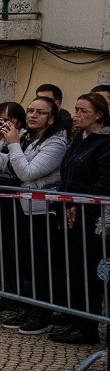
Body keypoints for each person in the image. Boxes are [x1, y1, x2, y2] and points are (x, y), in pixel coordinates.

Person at [0, 96, 65, 334]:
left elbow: (27, 173)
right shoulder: (27, 139)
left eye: (40, 112)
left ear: (51, 118)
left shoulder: (56, 144)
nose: (32, 115)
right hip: (22, 209)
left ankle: (41, 312)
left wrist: (14, 144)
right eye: (30, 110)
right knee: (24, 261)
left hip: (43, 214)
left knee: (41, 264)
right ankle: (27, 306)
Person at [49, 94, 110, 344]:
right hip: (71, 211)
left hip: (92, 218)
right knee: (74, 270)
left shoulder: (105, 143)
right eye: (75, 109)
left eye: (83, 110)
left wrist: (80, 205)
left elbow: (103, 185)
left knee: (88, 272)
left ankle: (87, 325)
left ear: (98, 114)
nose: (76, 114)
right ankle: (77, 318)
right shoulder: (79, 139)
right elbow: (68, 175)